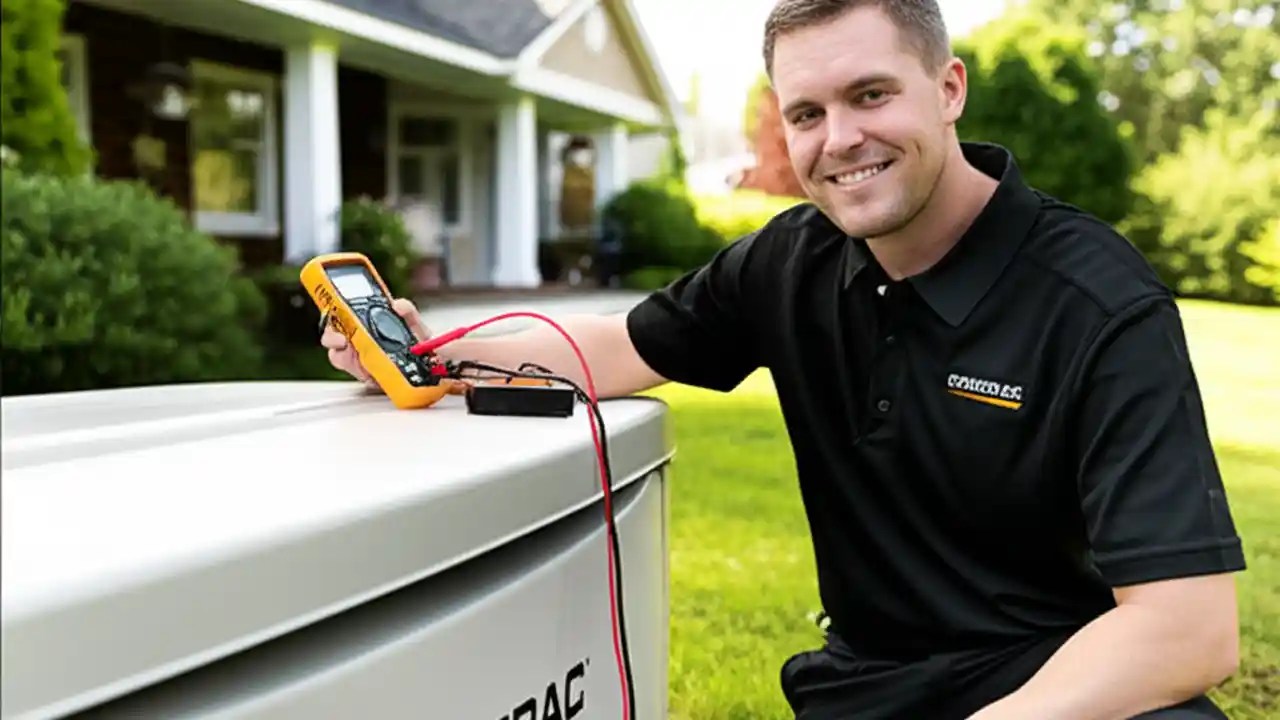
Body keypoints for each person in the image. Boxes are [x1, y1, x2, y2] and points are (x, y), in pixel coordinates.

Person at [322, 1, 1247, 717]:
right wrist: (423, 352)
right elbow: (604, 348)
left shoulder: (1099, 303)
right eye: (806, 112)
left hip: (1067, 689)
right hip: (868, 689)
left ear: (950, 87)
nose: (839, 139)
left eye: (871, 95)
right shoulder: (788, 260)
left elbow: (1185, 629)